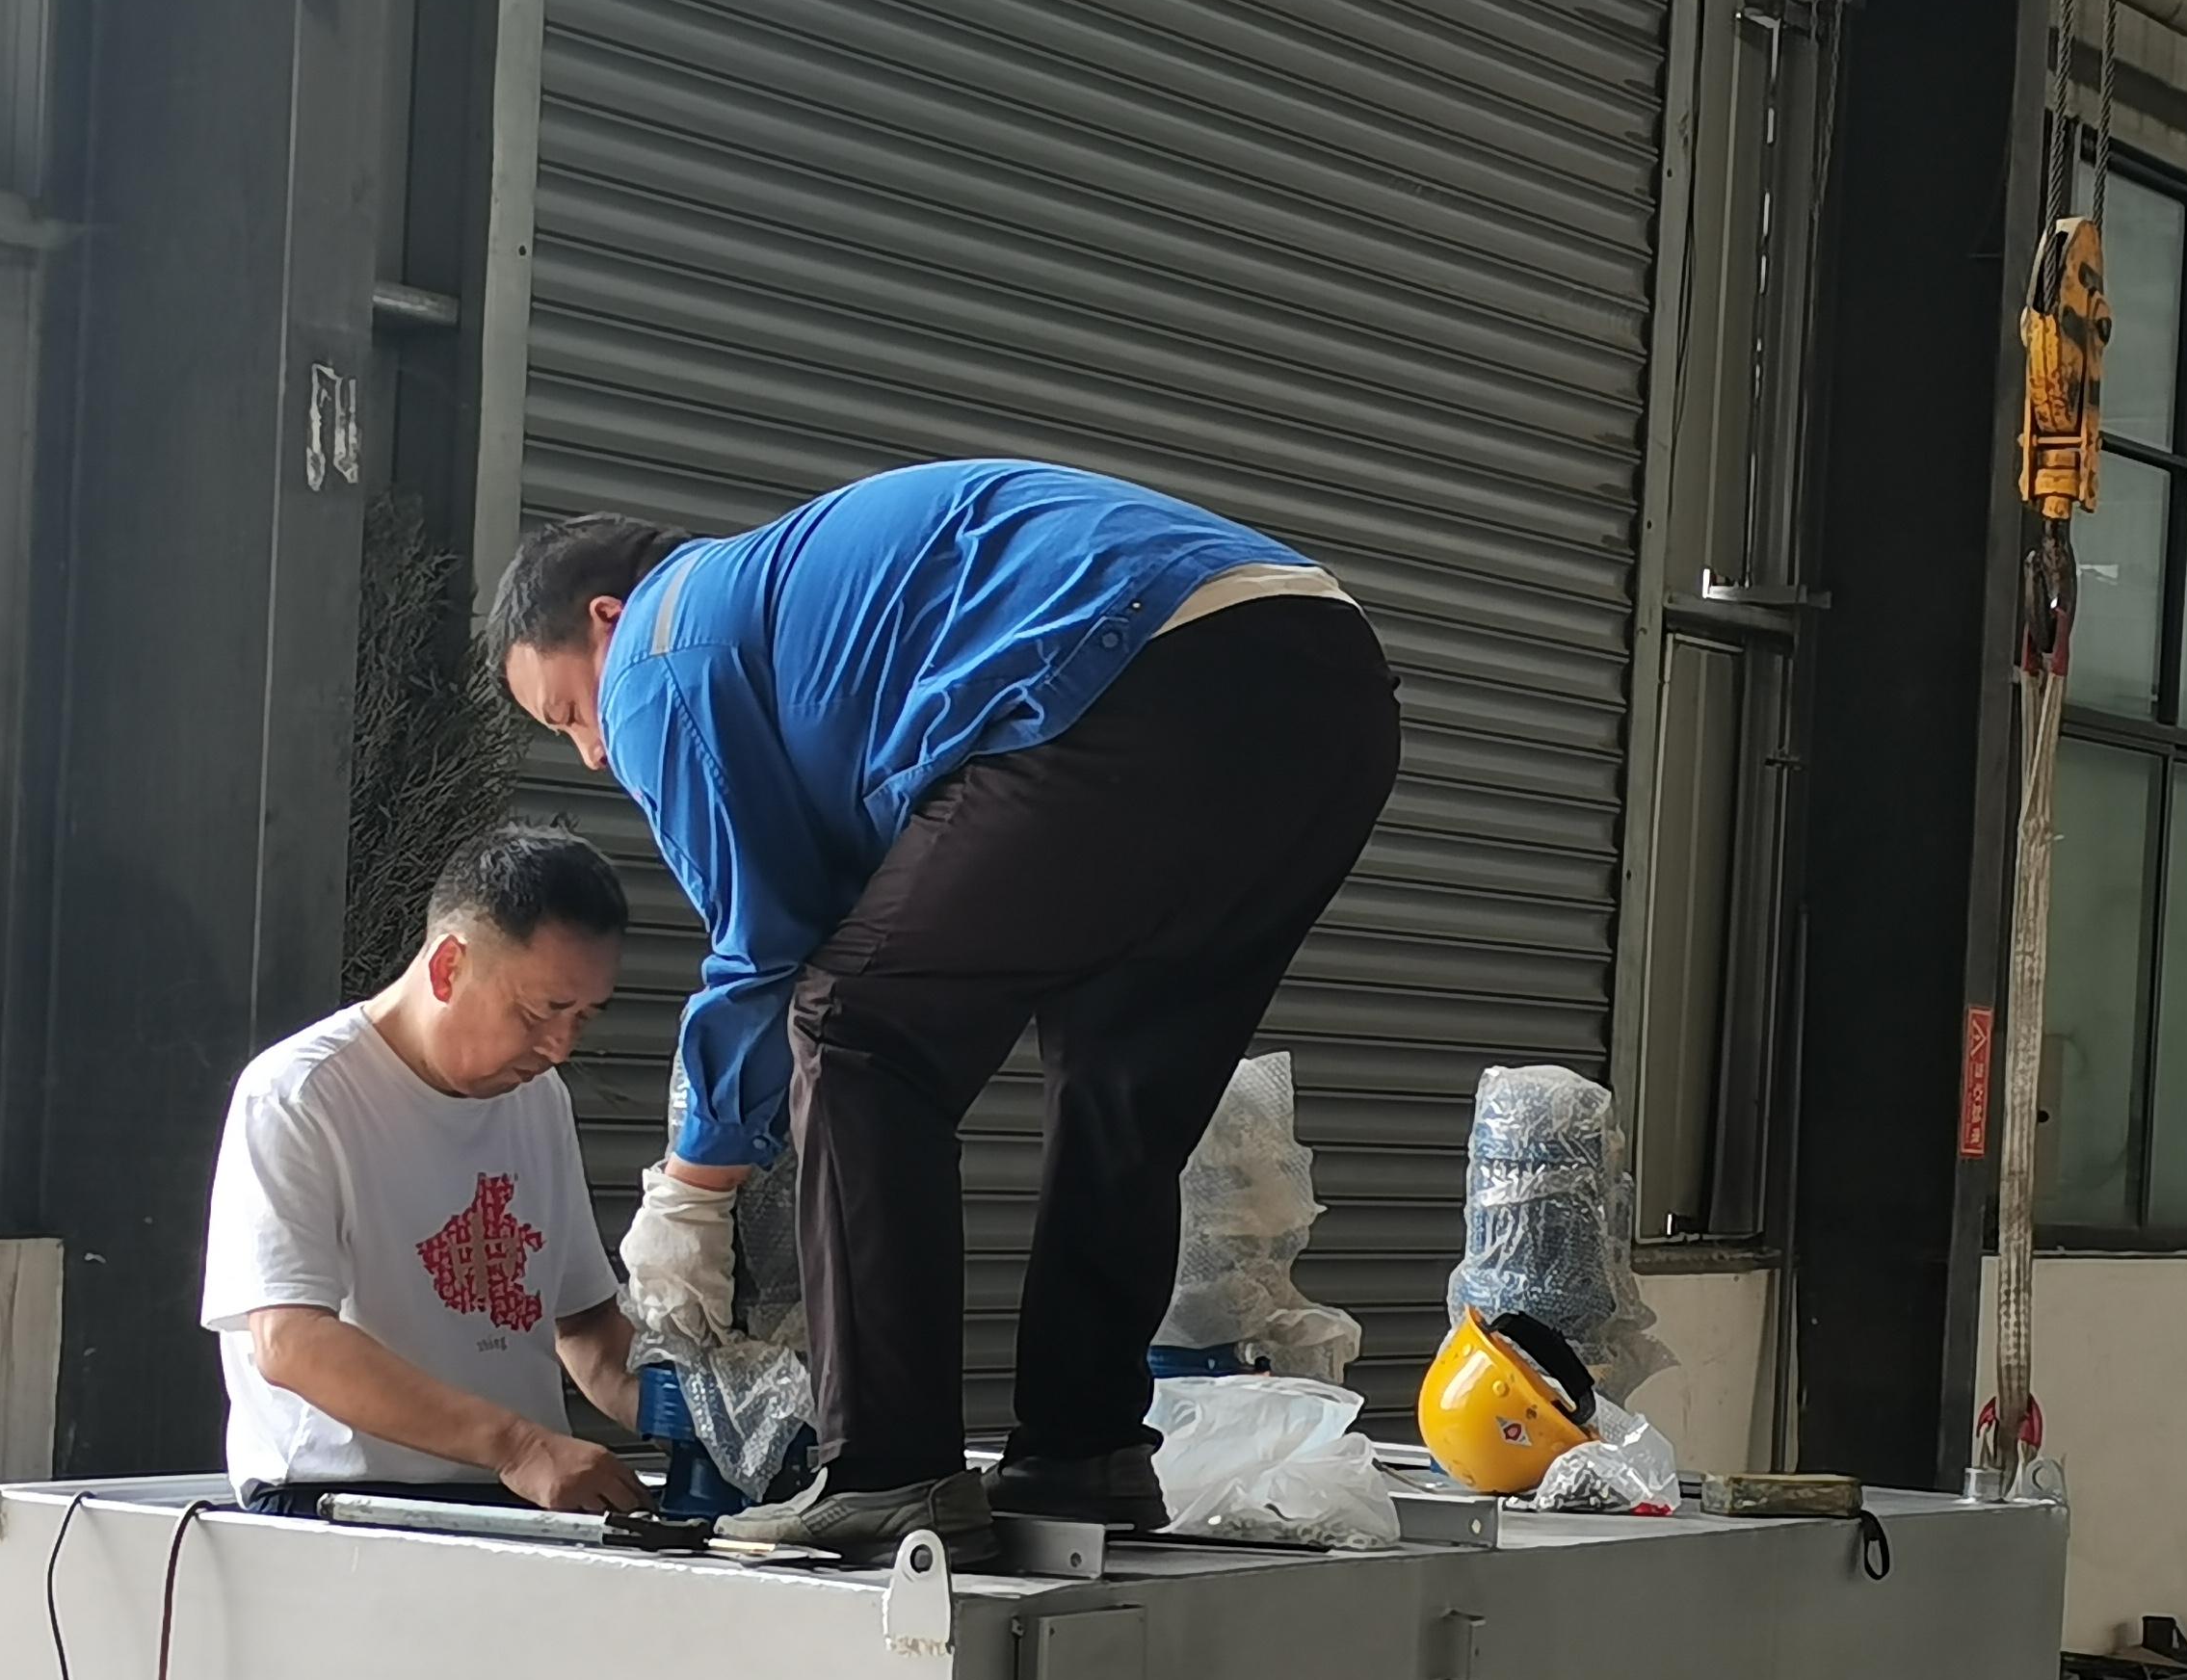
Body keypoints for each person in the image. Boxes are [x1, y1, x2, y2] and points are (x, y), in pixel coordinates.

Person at [486, 459, 1402, 1560]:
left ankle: (890, 1469)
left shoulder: (661, 642)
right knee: (1120, 1080)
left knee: (854, 1032)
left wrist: (694, 1186)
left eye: (568, 712)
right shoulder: (798, 620)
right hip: (1327, 688)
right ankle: (1081, 1454)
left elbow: (767, 941)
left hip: (1132, 666)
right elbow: (854, 900)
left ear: (604, 618)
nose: (594, 752)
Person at [201, 824, 649, 1516]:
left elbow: (586, 1326)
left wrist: (700, 1425)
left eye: (585, 1018)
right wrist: (519, 1446)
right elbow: (290, 1342)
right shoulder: (299, 1094)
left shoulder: (540, 1099)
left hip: (515, 1498)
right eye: (542, 1011)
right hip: (337, 1502)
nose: (561, 1047)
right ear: (448, 967)